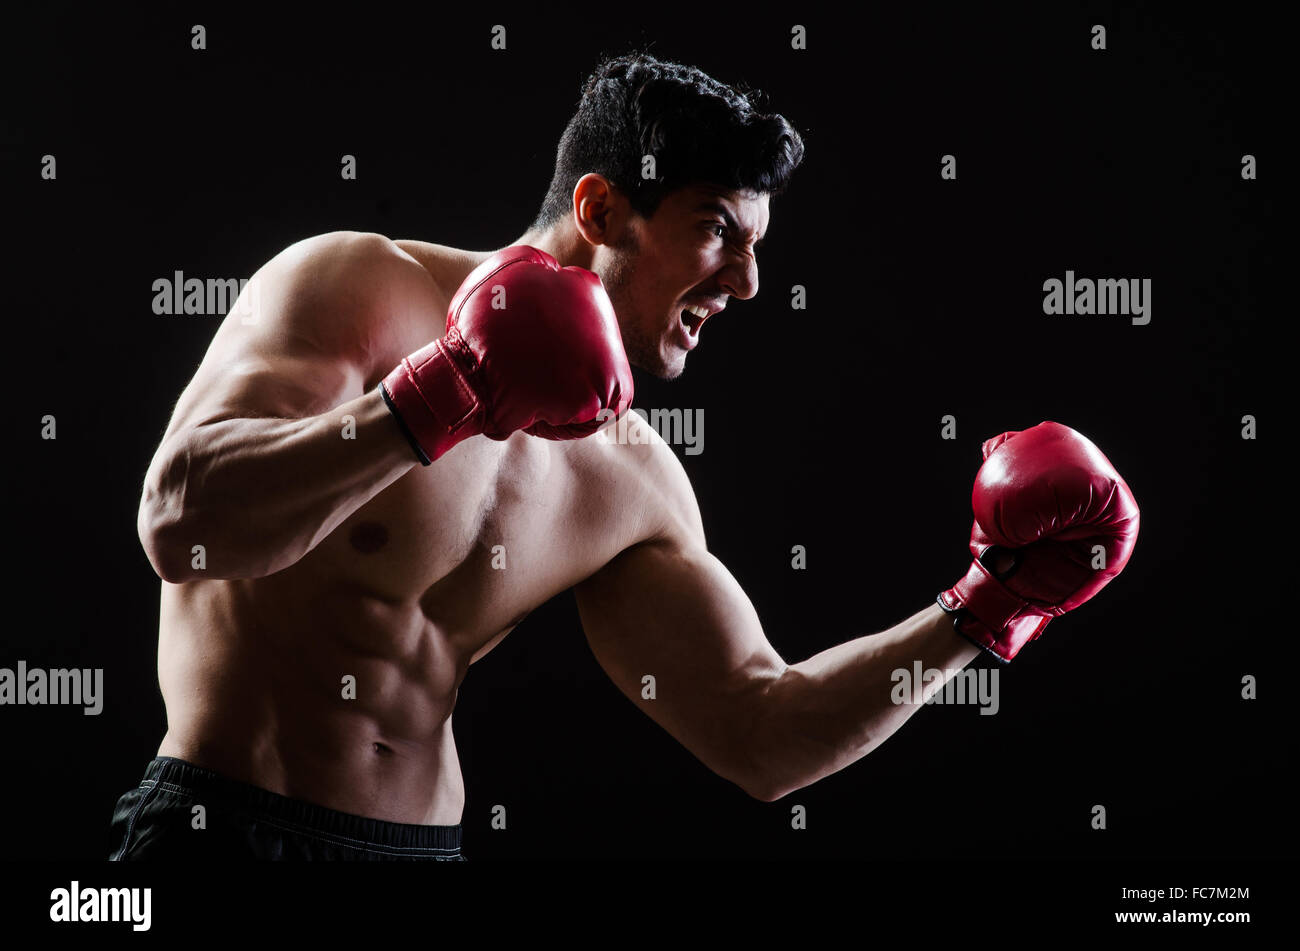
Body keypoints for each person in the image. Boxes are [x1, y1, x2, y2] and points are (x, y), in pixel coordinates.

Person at [110, 52, 1139, 861]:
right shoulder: (355, 285)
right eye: (716, 233)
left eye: (757, 246)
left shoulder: (634, 478)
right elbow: (182, 524)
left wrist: (988, 605)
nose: (745, 283)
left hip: (419, 853)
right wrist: (446, 391)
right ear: (601, 209)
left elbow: (759, 733)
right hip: (220, 831)